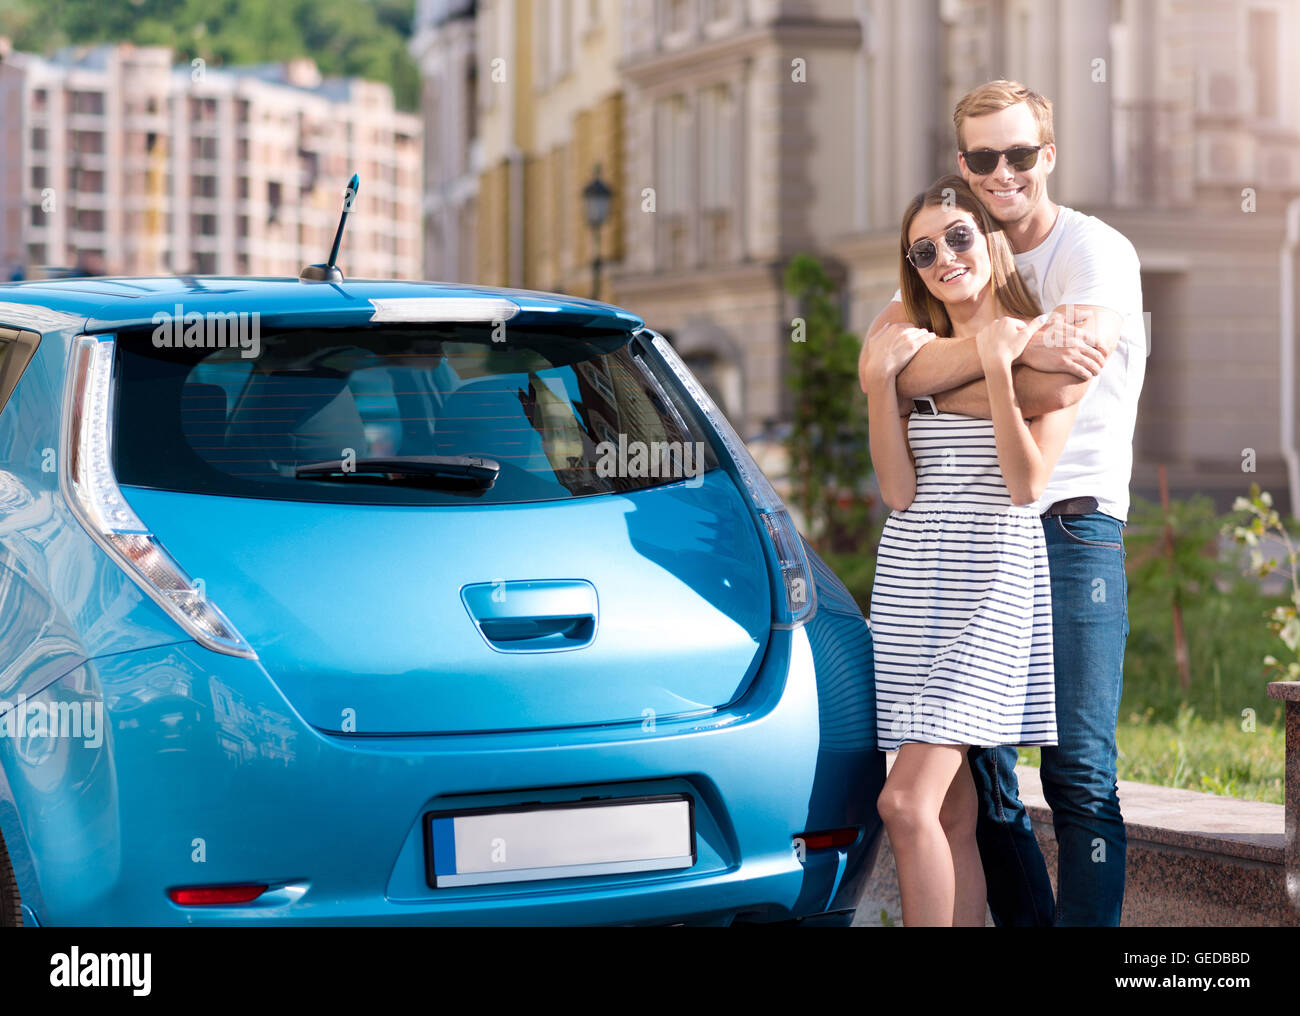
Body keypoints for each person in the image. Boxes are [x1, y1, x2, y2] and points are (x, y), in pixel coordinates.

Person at [859, 80, 1146, 927]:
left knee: (1078, 769)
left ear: (1046, 156)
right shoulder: (952, 258)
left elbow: (1067, 374)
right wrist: (999, 353)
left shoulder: (1094, 254)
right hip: (945, 551)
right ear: (963, 165)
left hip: (1072, 524)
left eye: (1019, 154)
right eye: (984, 158)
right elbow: (892, 364)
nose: (1002, 171)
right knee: (984, 783)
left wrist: (941, 369)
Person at [865, 174, 1078, 927]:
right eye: (924, 250)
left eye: (958, 236)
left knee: (904, 801)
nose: (944, 257)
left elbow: (1027, 486)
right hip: (910, 584)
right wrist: (878, 388)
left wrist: (994, 363)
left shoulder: (1043, 339)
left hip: (989, 584)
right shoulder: (908, 346)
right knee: (950, 817)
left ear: (990, 239)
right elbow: (896, 489)